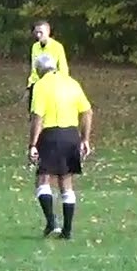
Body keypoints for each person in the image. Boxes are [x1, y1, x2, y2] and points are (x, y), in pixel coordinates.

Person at [28, 53, 92, 239]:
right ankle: (68, 230)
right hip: (71, 134)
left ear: (39, 70)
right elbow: (87, 112)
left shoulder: (40, 86)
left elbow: (37, 117)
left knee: (43, 178)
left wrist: (32, 144)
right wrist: (85, 138)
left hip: (51, 134)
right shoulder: (72, 83)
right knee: (66, 181)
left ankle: (51, 223)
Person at [26, 20, 69, 110]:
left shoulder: (57, 47)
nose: (38, 35)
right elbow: (34, 68)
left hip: (51, 85)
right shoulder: (35, 47)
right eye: (36, 32)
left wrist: (63, 85)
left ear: (48, 32)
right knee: (34, 113)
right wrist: (30, 85)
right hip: (36, 85)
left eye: (41, 32)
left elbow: (63, 68)